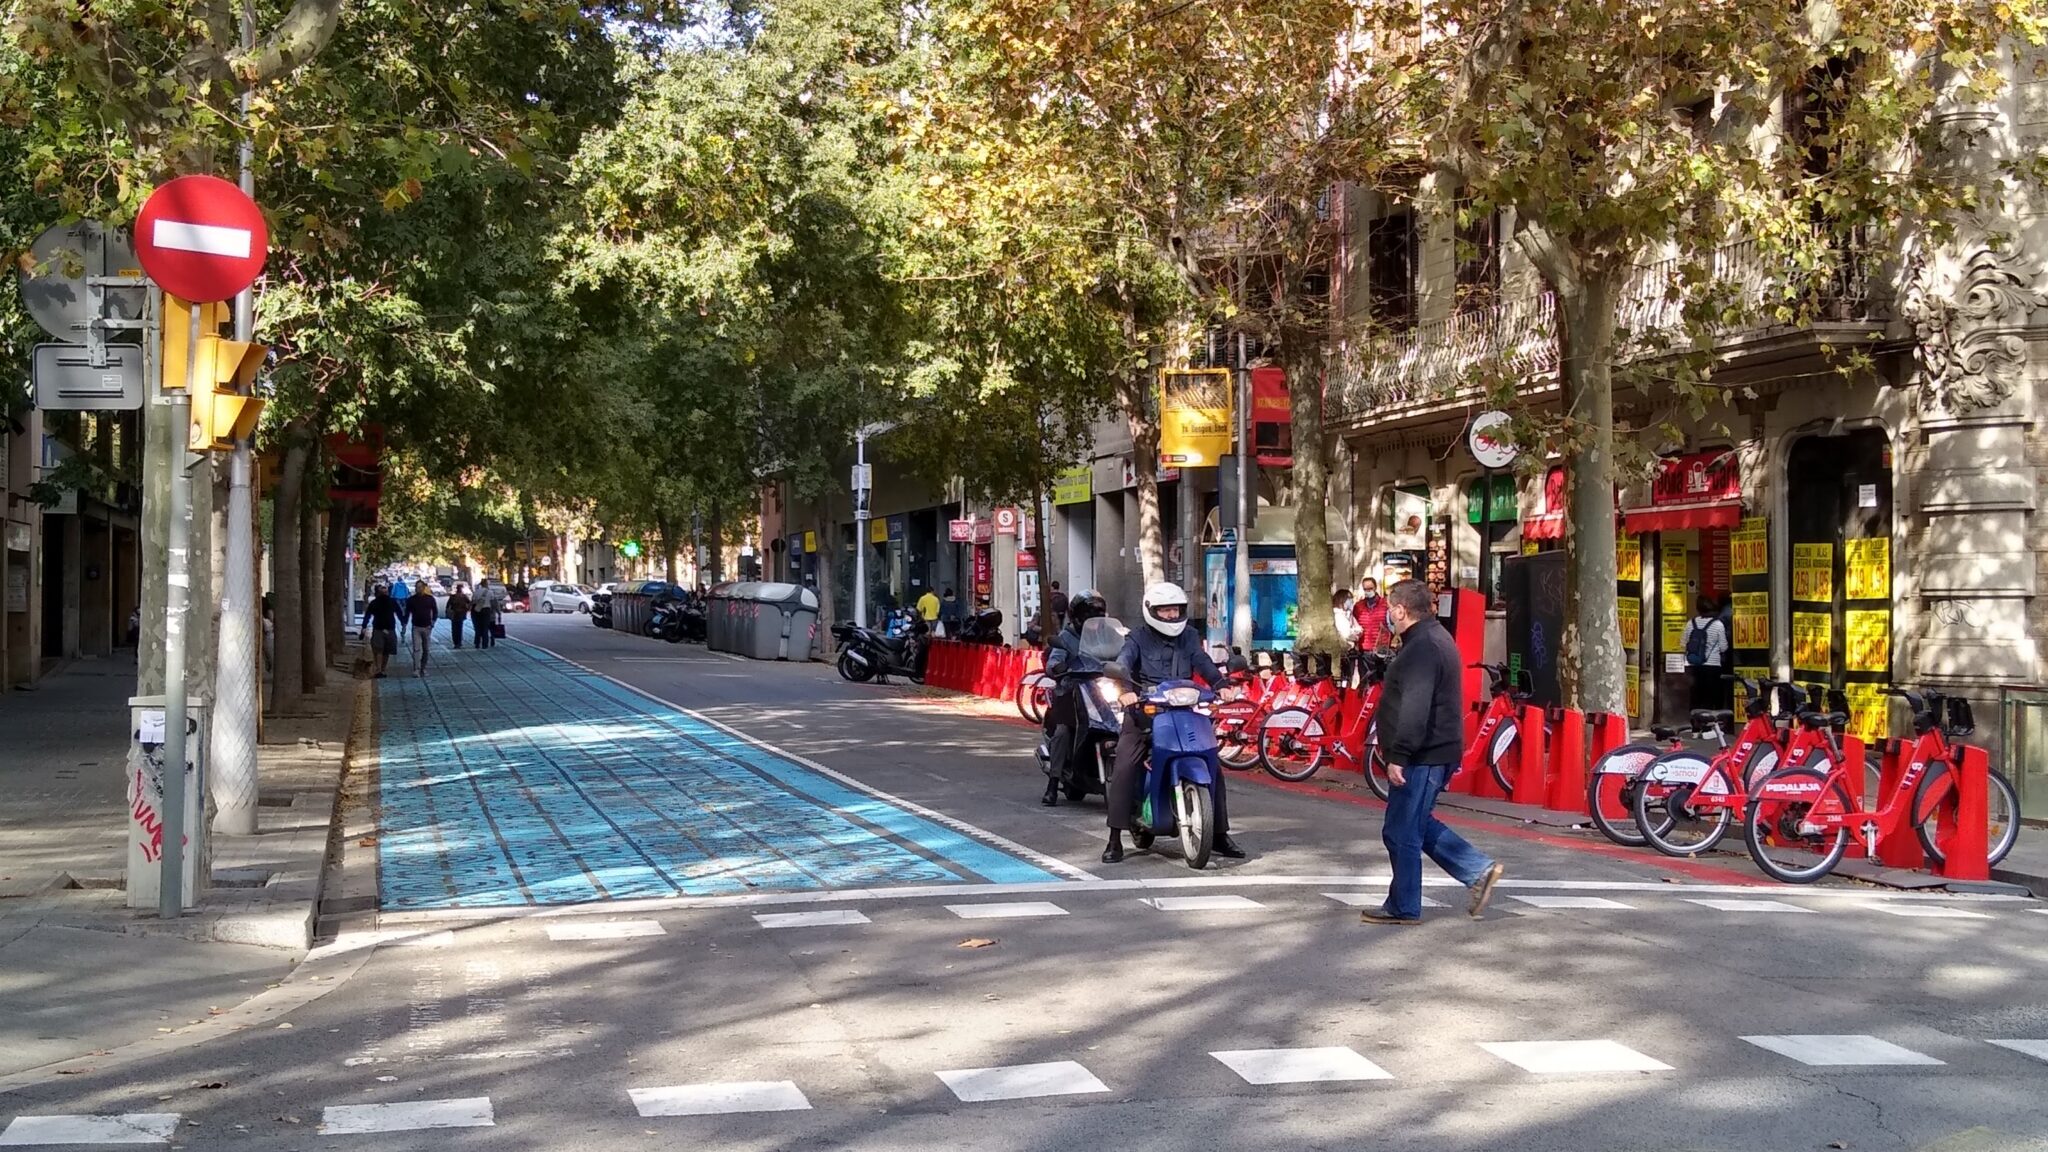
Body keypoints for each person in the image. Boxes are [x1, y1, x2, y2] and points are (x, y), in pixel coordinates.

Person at [1361, 578, 1505, 925]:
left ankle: (1405, 905)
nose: (1389, 618)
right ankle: (1476, 870)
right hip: (1431, 750)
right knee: (1414, 824)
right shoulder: (1430, 639)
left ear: (1400, 609)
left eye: (1391, 610)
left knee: (1402, 831)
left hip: (1424, 754)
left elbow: (1415, 705)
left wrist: (1400, 755)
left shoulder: (1423, 646)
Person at [1102, 581, 1245, 864]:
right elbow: (1124, 663)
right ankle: (1114, 838)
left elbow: (1203, 663)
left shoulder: (1190, 636)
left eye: (1175, 609)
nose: (1170, 615)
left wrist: (1221, 684)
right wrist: (1127, 691)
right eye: (1164, 610)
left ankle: (1218, 834)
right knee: (1124, 768)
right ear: (1151, 611)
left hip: (1184, 711)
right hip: (1146, 712)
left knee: (1213, 765)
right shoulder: (1137, 639)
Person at [1038, 589, 1108, 807]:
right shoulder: (1066, 637)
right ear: (1077, 616)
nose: (1092, 620)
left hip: (1100, 692)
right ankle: (1053, 783)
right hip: (1071, 690)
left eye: (1097, 615)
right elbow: (1053, 662)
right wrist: (1059, 667)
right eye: (1088, 614)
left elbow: (1122, 654)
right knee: (1063, 730)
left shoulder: (1107, 636)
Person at [1684, 594, 1730, 710]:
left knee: (1696, 696)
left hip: (1694, 665)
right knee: (1712, 697)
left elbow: (1683, 643)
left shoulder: (1691, 623)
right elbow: (1723, 647)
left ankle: (1696, 722)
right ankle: (1710, 723)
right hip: (1713, 666)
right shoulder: (1718, 624)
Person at [357, 584, 401, 679]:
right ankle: (379, 669)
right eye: (383, 592)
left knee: (385, 651)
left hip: (387, 629)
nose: (384, 594)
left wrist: (403, 621)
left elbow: (399, 612)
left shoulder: (389, 602)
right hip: (380, 629)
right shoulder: (376, 603)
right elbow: (368, 615)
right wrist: (364, 626)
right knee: (380, 650)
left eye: (385, 592)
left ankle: (381, 669)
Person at [407, 583, 440, 677]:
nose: (418, 589)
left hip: (427, 627)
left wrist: (433, 621)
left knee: (426, 649)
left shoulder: (430, 599)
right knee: (416, 649)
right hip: (416, 627)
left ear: (424, 588)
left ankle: (423, 668)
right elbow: (407, 612)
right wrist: (404, 624)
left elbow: (435, 611)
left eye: (420, 587)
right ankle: (416, 669)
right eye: (417, 587)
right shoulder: (412, 600)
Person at [1353, 578, 1392, 654]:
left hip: (1382, 648)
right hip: (1363, 649)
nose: (1368, 591)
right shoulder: (1358, 606)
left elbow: (1392, 625)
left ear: (1375, 587)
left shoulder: (1386, 604)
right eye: (1365, 589)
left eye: (1370, 588)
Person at [472, 579, 498, 650]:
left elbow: (473, 602)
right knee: (485, 627)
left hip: (477, 611)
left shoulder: (476, 592)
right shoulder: (490, 592)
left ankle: (477, 643)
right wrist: (494, 611)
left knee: (477, 627)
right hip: (486, 610)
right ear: (486, 584)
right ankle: (485, 644)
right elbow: (493, 603)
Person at [446, 583, 473, 648]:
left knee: (454, 629)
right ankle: (459, 642)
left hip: (454, 614)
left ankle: (456, 642)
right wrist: (467, 609)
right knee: (459, 628)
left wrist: (448, 612)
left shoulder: (453, 597)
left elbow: (448, 606)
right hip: (461, 614)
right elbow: (470, 603)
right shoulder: (463, 596)